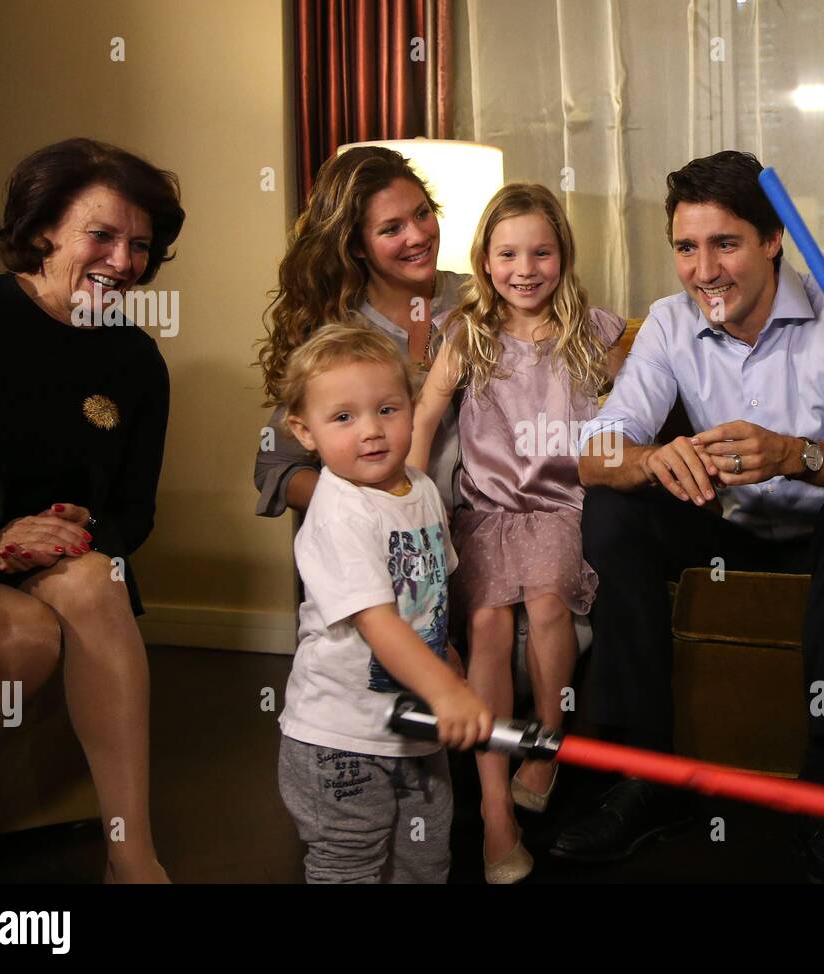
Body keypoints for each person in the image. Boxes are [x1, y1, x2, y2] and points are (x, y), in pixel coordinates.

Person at [556, 150, 824, 883]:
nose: (704, 270)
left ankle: (822, 790)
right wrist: (649, 460)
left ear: (772, 239)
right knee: (611, 509)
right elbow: (594, 452)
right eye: (686, 249)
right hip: (727, 527)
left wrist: (797, 454)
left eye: (724, 244)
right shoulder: (666, 322)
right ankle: (650, 780)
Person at [0, 137, 184, 883]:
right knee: (23, 640)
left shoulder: (135, 359)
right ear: (43, 230)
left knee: (96, 574)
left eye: (139, 245)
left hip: (67, 566)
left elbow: (135, 510)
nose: (125, 262)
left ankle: (131, 855)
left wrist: (81, 529)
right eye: (102, 236)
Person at [410, 184, 627, 883]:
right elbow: (424, 415)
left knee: (546, 602)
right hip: (487, 510)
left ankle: (548, 742)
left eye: (541, 252)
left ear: (563, 256)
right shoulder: (464, 330)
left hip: (561, 507)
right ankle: (496, 808)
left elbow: (634, 415)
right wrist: (407, 501)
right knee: (488, 623)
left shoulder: (594, 332)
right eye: (507, 253)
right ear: (484, 258)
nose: (524, 268)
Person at [275, 324, 493, 884]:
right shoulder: (339, 512)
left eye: (388, 410)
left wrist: (447, 662)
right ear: (305, 430)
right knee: (351, 863)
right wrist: (446, 691)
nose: (371, 431)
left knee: (424, 859)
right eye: (343, 417)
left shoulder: (420, 489)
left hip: (415, 729)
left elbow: (430, 597)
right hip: (340, 737)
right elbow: (379, 622)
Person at [255, 145, 465, 514]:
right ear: (357, 245)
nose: (417, 236)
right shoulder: (337, 334)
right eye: (391, 229)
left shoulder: (481, 300)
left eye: (422, 214)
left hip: (485, 549)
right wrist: (367, 513)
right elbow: (277, 465)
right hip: (373, 555)